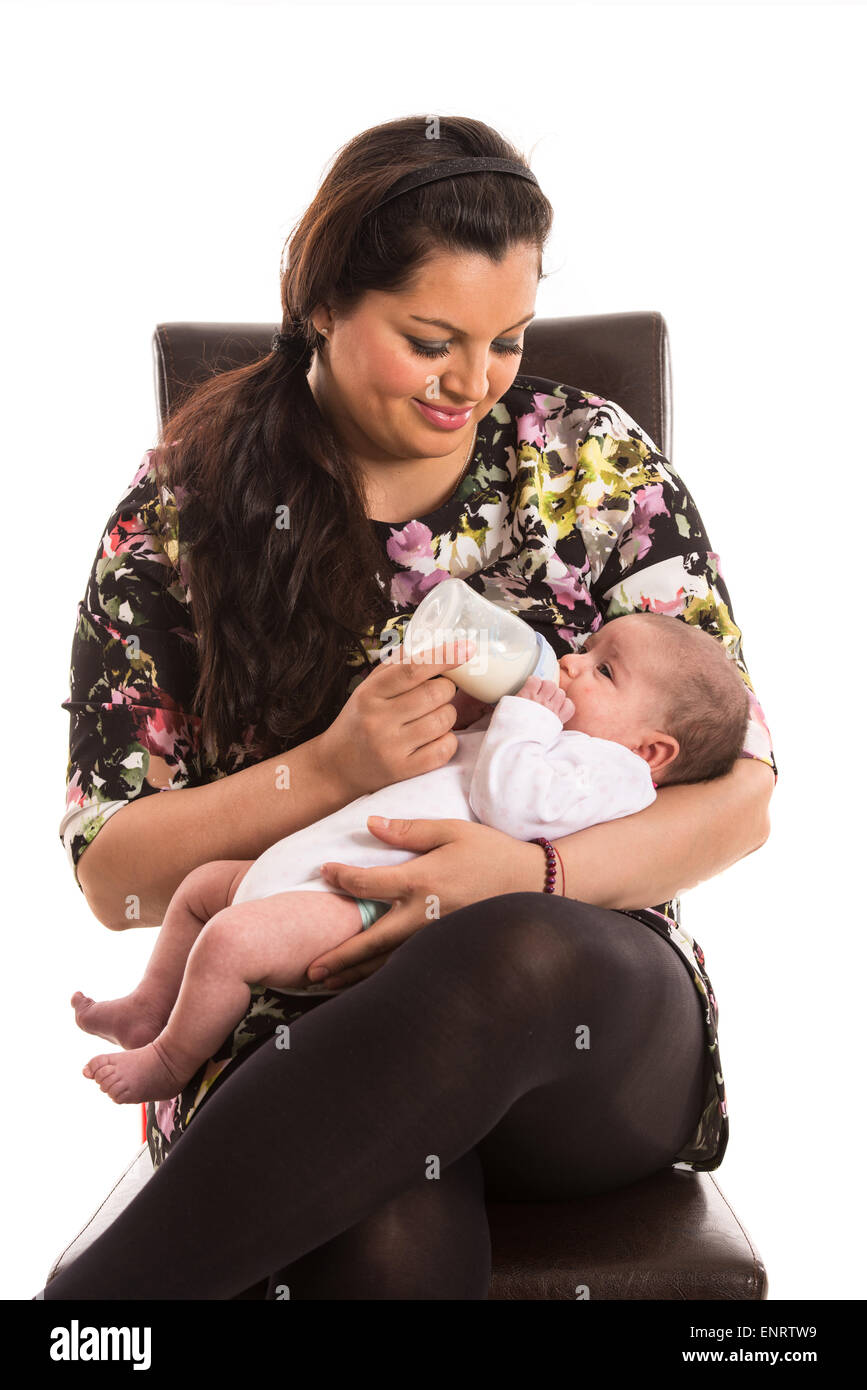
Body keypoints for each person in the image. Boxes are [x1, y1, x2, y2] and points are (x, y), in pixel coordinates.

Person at [40, 114, 777, 1301]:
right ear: (325, 300)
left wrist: (520, 878)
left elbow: (742, 800)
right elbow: (115, 875)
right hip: (294, 1015)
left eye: (507, 339)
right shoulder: (184, 506)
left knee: (513, 951)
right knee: (385, 1237)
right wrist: (326, 772)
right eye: (433, 339)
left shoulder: (594, 467)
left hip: (581, 1014)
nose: (477, 383)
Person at [71, 610, 750, 1107]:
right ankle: (147, 1007)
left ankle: (168, 1058)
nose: (570, 663)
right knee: (202, 889)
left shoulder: (612, 774)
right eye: (585, 649)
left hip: (373, 899)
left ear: (653, 751)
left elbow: (515, 808)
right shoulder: (555, 736)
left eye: (603, 670)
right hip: (323, 859)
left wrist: (523, 718)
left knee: (227, 942)